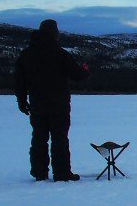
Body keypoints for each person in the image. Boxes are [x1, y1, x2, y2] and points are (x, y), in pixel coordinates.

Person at [14, 19, 91, 181]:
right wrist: (86, 69)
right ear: (55, 34)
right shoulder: (60, 54)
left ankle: (39, 172)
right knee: (59, 139)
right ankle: (62, 173)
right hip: (59, 105)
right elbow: (77, 75)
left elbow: (19, 81)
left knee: (38, 138)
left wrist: (21, 100)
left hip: (37, 104)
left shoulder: (27, 54)